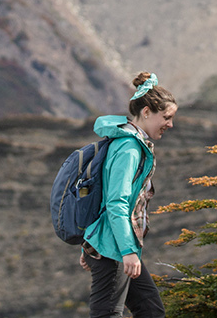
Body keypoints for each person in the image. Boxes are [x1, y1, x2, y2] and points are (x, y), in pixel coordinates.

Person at [80, 71, 177, 318]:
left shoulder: (130, 143)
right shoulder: (129, 148)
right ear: (146, 112)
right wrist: (127, 252)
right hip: (114, 248)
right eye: (166, 117)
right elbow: (116, 203)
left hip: (113, 244)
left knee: (151, 310)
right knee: (108, 314)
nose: (170, 124)